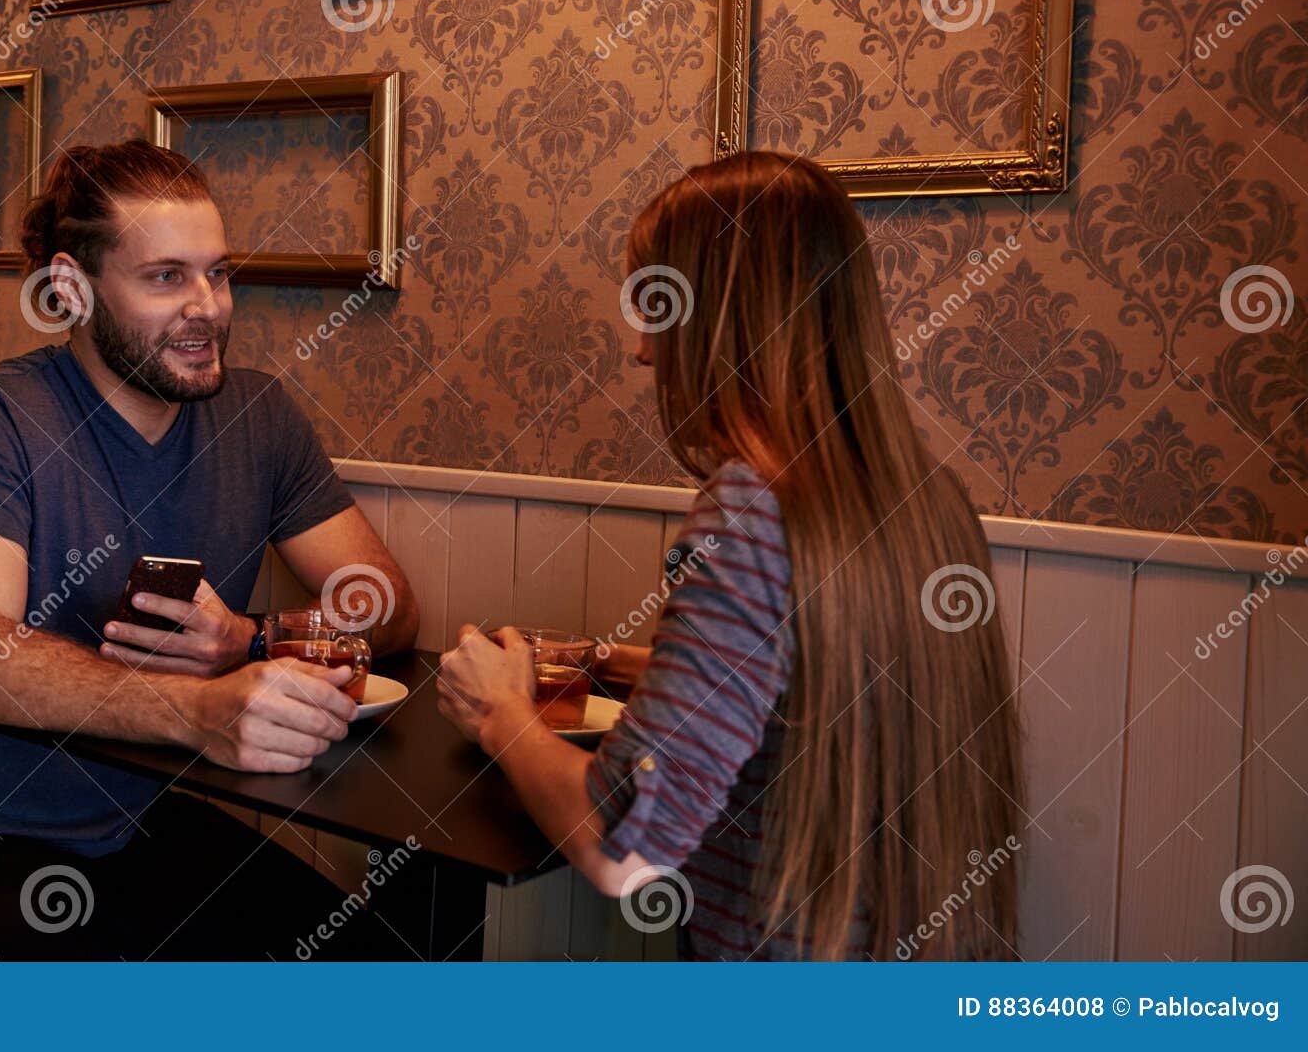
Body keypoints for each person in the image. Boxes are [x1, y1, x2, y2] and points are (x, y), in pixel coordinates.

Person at [0, 139, 419, 960]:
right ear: (73, 287)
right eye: (166, 277)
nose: (207, 307)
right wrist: (195, 713)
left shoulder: (259, 417)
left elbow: (386, 604)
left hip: (132, 828)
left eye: (217, 273)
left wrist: (249, 641)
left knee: (385, 967)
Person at [437, 151, 1022, 960]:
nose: (643, 351)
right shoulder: (929, 499)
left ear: (717, 317)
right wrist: (630, 665)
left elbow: (623, 852)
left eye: (655, 305)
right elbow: (820, 681)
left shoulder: (750, 512)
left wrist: (498, 713)